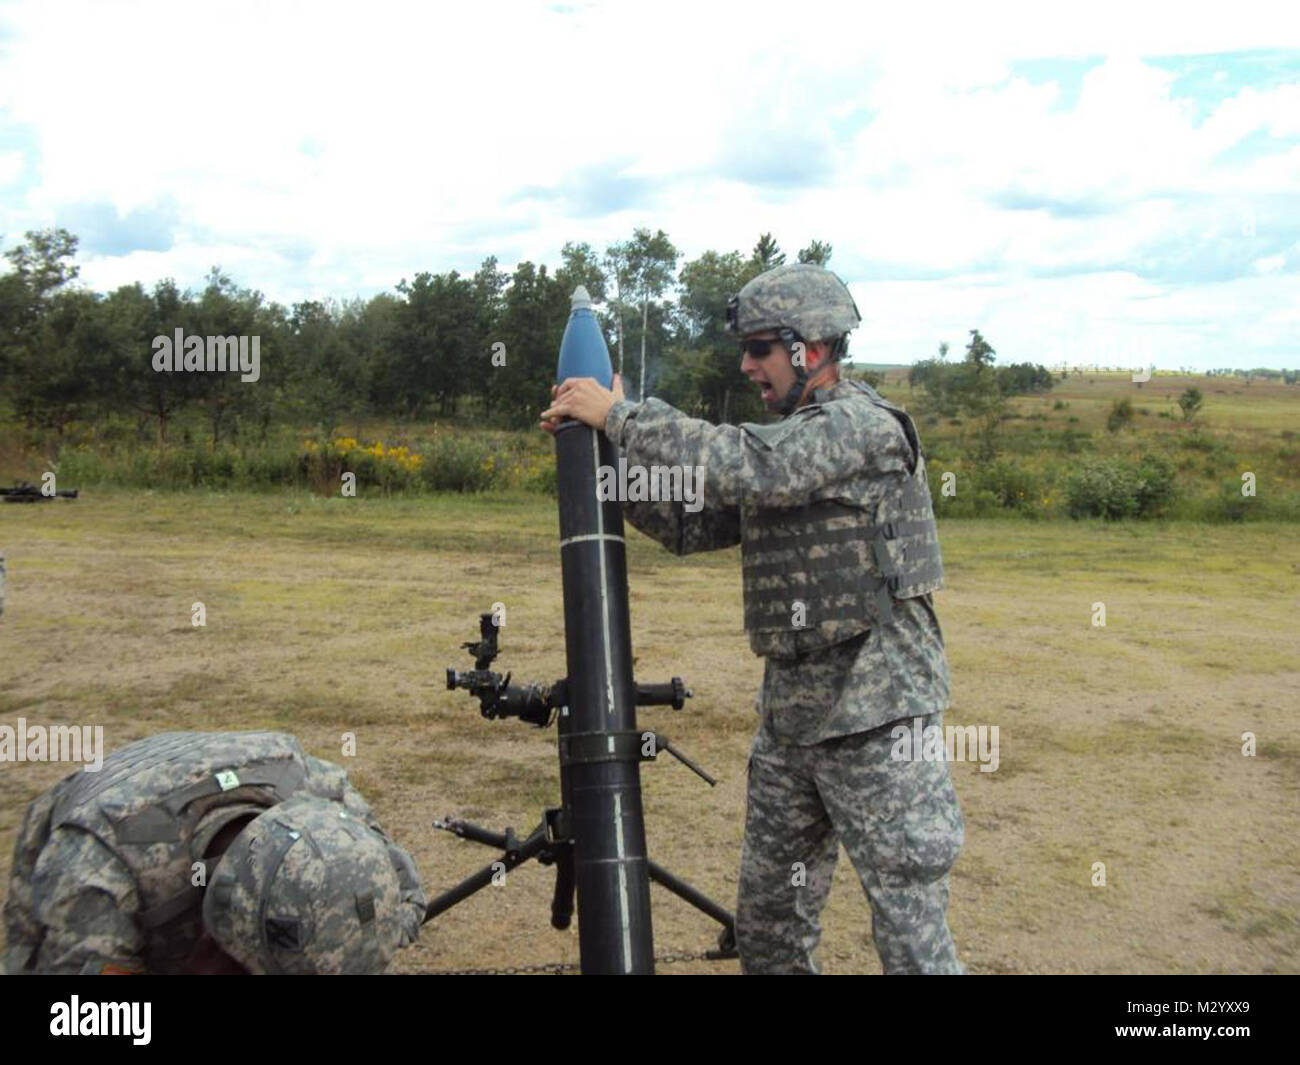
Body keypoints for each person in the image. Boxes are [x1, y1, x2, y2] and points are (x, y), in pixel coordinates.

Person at [541, 263, 964, 974]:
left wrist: (622, 415)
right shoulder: (789, 445)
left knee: (911, 938)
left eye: (761, 347)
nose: (747, 364)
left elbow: (749, 467)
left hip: (881, 722)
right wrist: (599, 458)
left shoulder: (860, 430)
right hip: (793, 728)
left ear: (811, 348)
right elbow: (688, 520)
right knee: (767, 932)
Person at [4, 729, 427, 974]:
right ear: (211, 947)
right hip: (103, 805)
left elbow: (405, 903)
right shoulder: (93, 876)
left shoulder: (336, 808)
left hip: (216, 770)